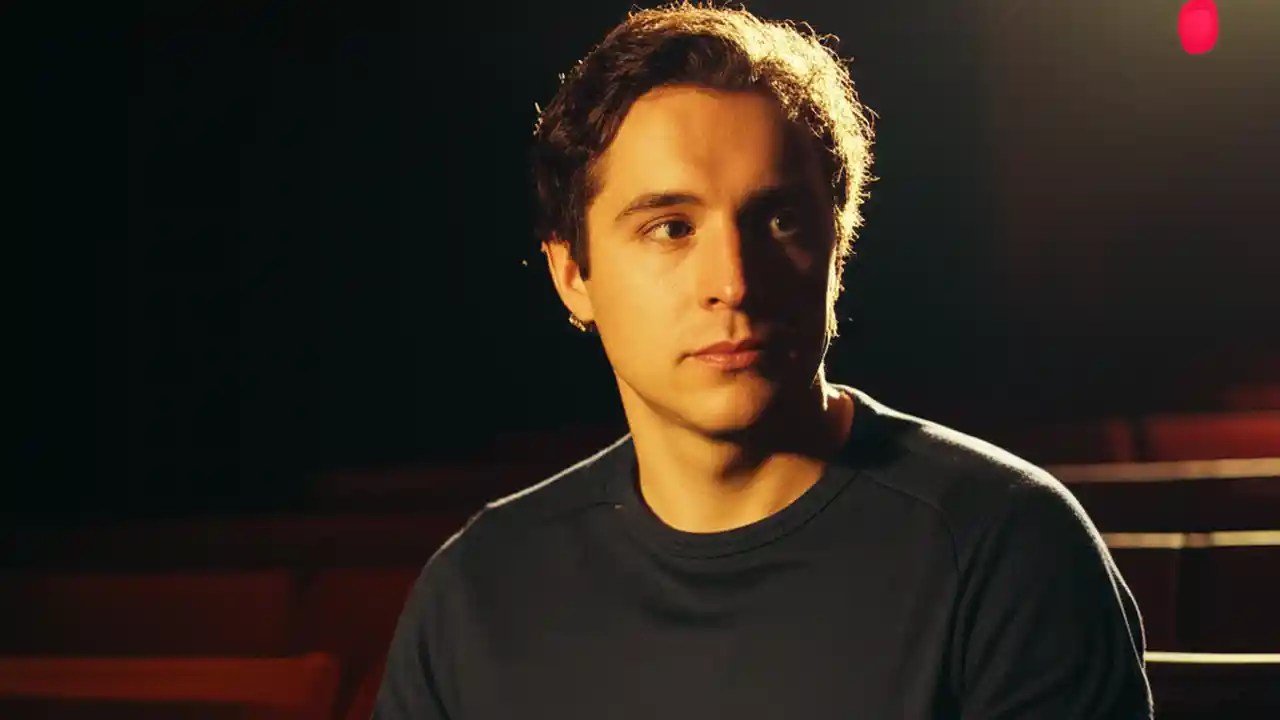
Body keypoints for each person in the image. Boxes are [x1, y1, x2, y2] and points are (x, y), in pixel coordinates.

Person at [374, 3, 1153, 718]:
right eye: (671, 228)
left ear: (836, 250)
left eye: (778, 218)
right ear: (572, 275)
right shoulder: (476, 591)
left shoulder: (1008, 549)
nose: (734, 282)